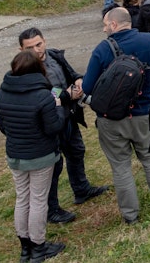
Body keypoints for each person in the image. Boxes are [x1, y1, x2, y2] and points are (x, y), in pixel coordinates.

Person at [82, 8, 150, 225]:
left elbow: (87, 87)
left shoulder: (103, 49)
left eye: (106, 24)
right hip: (143, 114)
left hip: (111, 119)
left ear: (115, 25)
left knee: (121, 166)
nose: (104, 28)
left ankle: (130, 215)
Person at [18, 28, 108, 226]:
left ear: (44, 41)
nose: (37, 50)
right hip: (48, 124)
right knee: (54, 166)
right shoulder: (25, 69)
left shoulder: (55, 56)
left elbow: (71, 73)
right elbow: (41, 97)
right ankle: (52, 209)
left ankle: (82, 189)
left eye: (39, 44)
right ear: (21, 49)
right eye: (30, 47)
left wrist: (77, 80)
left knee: (76, 151)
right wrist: (67, 95)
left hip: (68, 116)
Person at [0, 49, 66, 262]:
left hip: (15, 154)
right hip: (40, 156)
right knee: (38, 200)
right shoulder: (44, 95)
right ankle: (38, 246)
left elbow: (3, 127)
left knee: (22, 198)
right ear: (39, 69)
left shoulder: (2, 93)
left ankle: (25, 247)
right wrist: (59, 108)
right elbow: (53, 127)